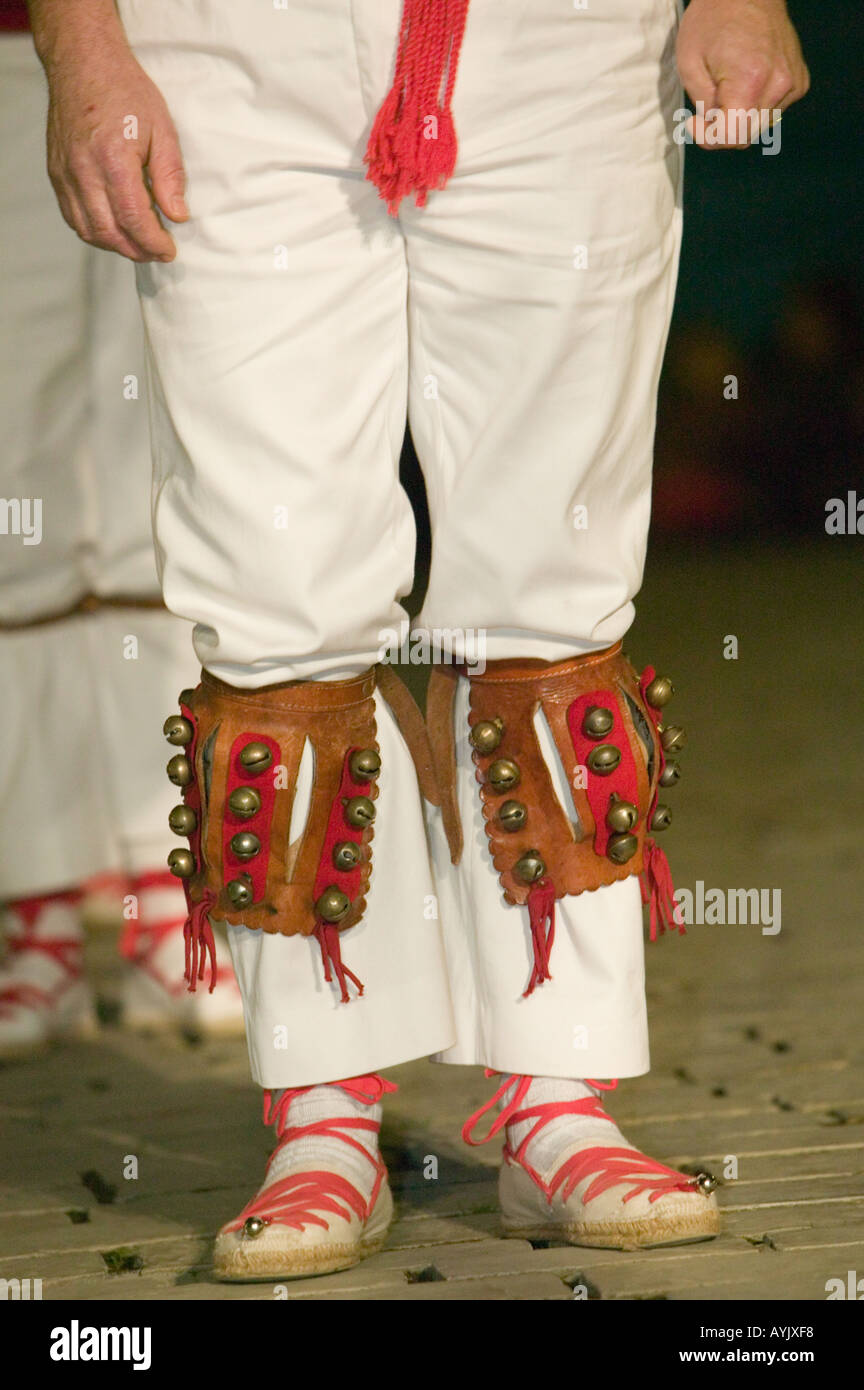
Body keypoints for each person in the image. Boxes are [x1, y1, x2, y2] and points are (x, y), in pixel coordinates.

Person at [26, 0, 808, 1280]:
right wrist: (81, 42)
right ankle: (321, 1105)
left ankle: (559, 1098)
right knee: (275, 586)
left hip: (560, 37)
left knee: (553, 577)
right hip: (231, 44)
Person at [0, 4, 244, 1054]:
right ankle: (38, 903)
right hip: (16, 47)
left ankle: (161, 883)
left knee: (168, 435)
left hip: (202, 36)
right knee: (16, 471)